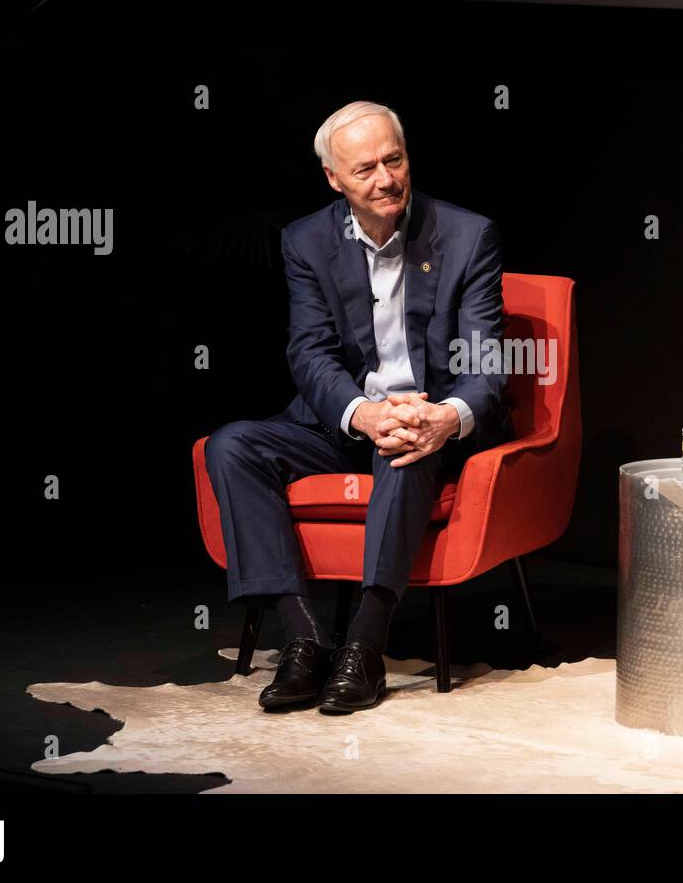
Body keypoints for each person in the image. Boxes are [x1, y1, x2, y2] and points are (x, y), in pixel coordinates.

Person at [203, 100, 513, 714]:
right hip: (347, 419)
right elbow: (309, 351)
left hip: (432, 417)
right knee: (232, 444)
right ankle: (306, 641)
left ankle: (365, 649)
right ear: (334, 179)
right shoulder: (306, 241)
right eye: (365, 168)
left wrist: (446, 416)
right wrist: (361, 413)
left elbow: (486, 363)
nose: (385, 179)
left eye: (393, 160)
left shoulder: (466, 235)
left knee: (408, 443)